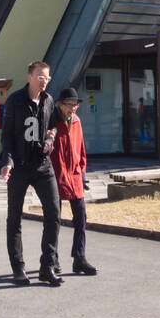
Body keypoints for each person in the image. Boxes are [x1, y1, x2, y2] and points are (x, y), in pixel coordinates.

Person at [0, 61, 62, 286]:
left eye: (47, 78)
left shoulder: (48, 100)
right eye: (40, 77)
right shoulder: (15, 101)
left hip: (43, 165)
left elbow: (53, 127)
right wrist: (7, 161)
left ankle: (47, 266)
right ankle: (18, 267)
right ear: (30, 77)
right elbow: (6, 136)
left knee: (54, 213)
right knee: (14, 217)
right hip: (20, 166)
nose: (44, 81)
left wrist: (50, 139)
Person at [50, 88, 97, 276]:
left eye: (75, 104)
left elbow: (81, 149)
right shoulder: (52, 121)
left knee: (81, 218)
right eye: (69, 104)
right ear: (60, 104)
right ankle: (52, 259)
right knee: (53, 220)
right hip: (55, 176)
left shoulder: (77, 122)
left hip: (75, 176)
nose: (73, 108)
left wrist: (83, 173)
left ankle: (79, 257)